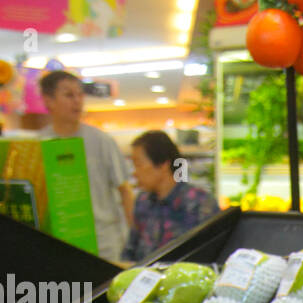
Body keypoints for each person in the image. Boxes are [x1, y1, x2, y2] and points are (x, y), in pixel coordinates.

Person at [37, 70, 131, 262]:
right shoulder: (39, 144)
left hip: (103, 242)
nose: (77, 101)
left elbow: (125, 190)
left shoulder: (101, 141)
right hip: (60, 242)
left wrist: (132, 236)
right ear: (48, 100)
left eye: (80, 94)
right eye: (69, 95)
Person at [122, 131, 220, 262]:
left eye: (138, 164)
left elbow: (213, 254)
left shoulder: (200, 203)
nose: (135, 173)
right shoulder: (142, 201)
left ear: (163, 164)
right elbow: (130, 250)